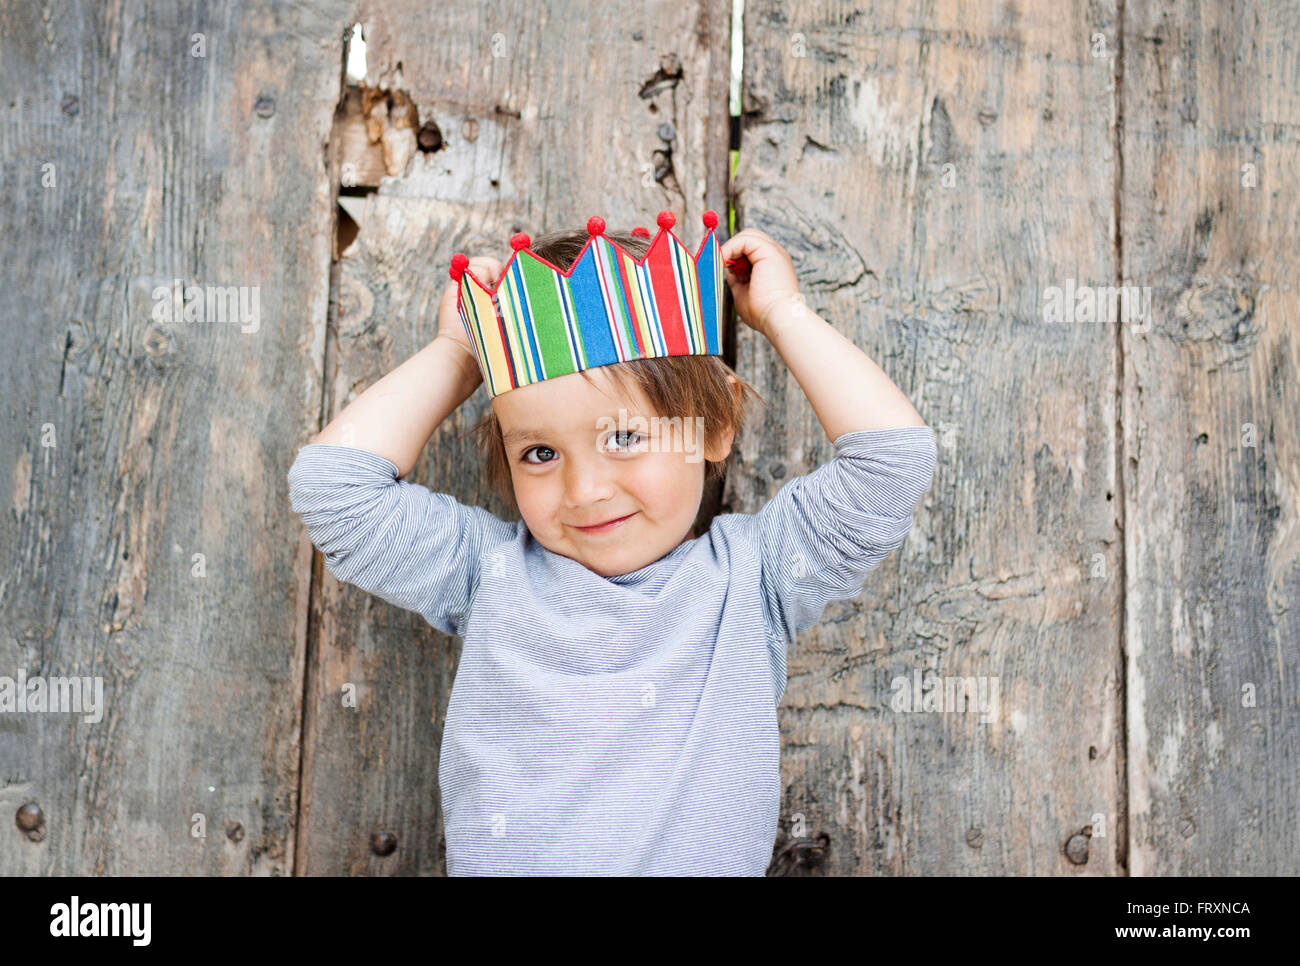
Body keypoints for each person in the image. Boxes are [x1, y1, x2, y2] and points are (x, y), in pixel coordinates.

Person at [287, 216, 937, 875]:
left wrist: (784, 313)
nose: (585, 489)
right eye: (540, 452)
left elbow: (890, 464)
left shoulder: (754, 580)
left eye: (623, 437)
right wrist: (457, 358)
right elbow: (333, 489)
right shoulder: (487, 573)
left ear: (714, 428)